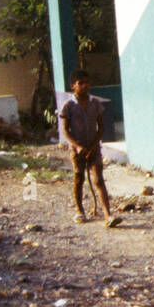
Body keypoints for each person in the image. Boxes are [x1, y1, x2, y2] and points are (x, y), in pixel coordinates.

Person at [59, 69, 119, 227]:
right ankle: (79, 210)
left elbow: (101, 128)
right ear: (73, 86)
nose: (85, 86)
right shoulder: (69, 106)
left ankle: (108, 215)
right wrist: (78, 146)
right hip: (77, 151)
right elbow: (66, 131)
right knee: (79, 178)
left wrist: (94, 146)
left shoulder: (95, 104)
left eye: (87, 83)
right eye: (81, 83)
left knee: (99, 180)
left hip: (93, 149)